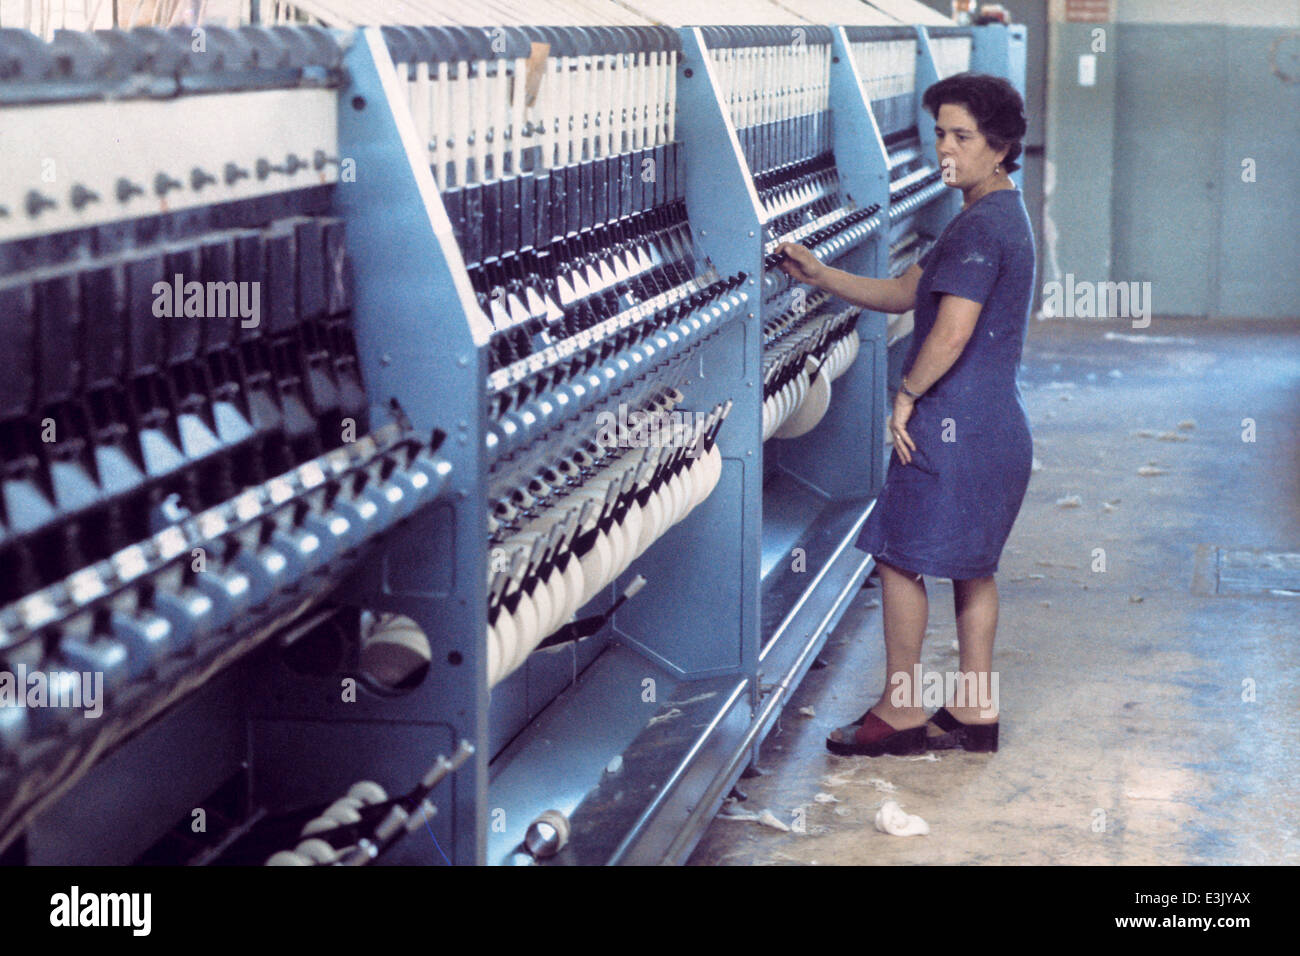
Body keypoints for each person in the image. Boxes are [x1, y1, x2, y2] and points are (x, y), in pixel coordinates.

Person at [775, 72, 1034, 757]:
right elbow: (900, 293)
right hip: (994, 428)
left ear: (1001, 146)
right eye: (938, 134)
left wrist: (908, 395)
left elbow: (950, 331)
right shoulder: (992, 216)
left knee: (897, 557)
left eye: (962, 137)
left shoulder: (981, 228)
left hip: (953, 428)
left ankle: (899, 712)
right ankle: (975, 711)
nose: (945, 148)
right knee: (973, 568)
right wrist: (822, 274)